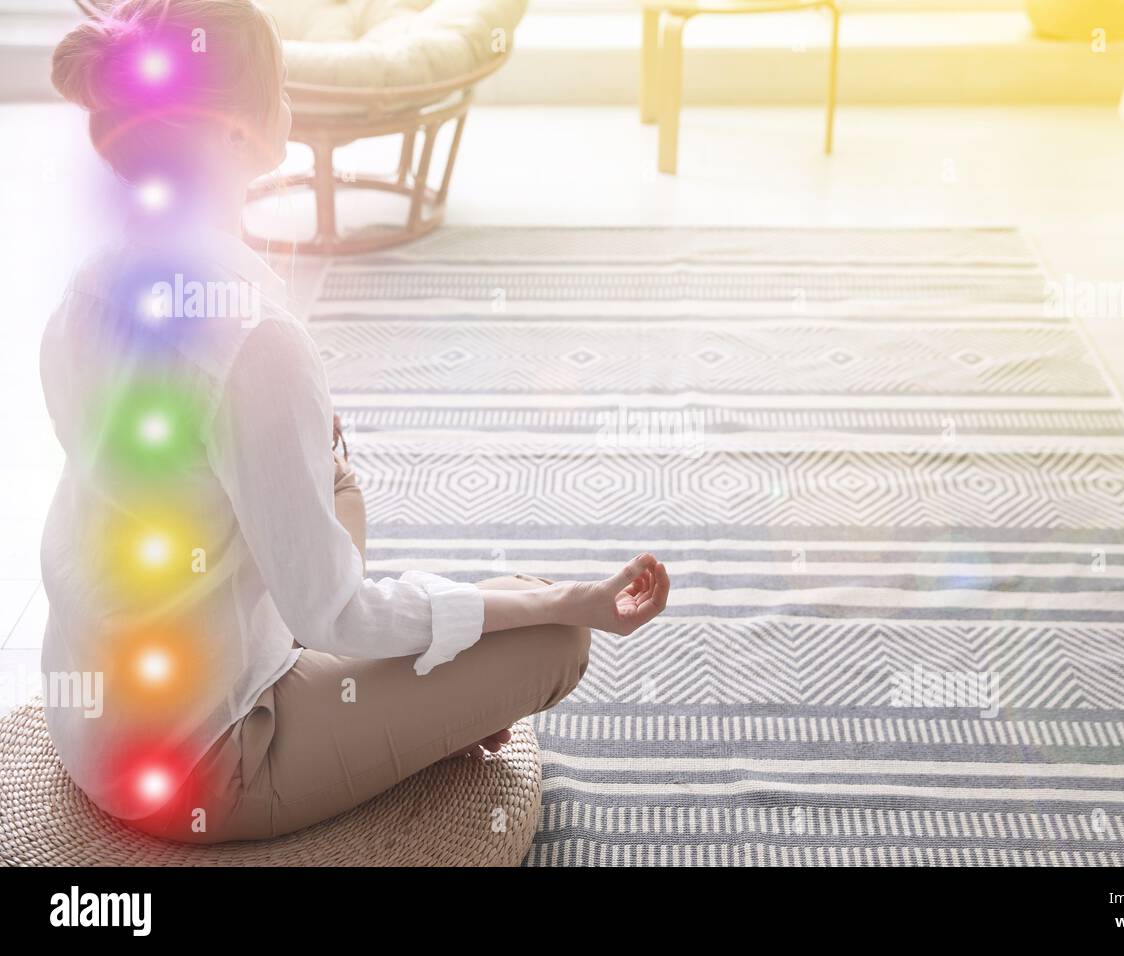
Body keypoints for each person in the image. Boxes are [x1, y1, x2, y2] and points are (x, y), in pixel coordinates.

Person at [42, 0, 669, 843]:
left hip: (93, 713)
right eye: (278, 84)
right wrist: (568, 599)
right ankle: (417, 711)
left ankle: (404, 693)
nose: (290, 100)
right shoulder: (254, 342)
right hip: (207, 759)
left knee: (343, 487)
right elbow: (333, 618)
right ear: (234, 133)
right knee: (553, 639)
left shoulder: (87, 286)